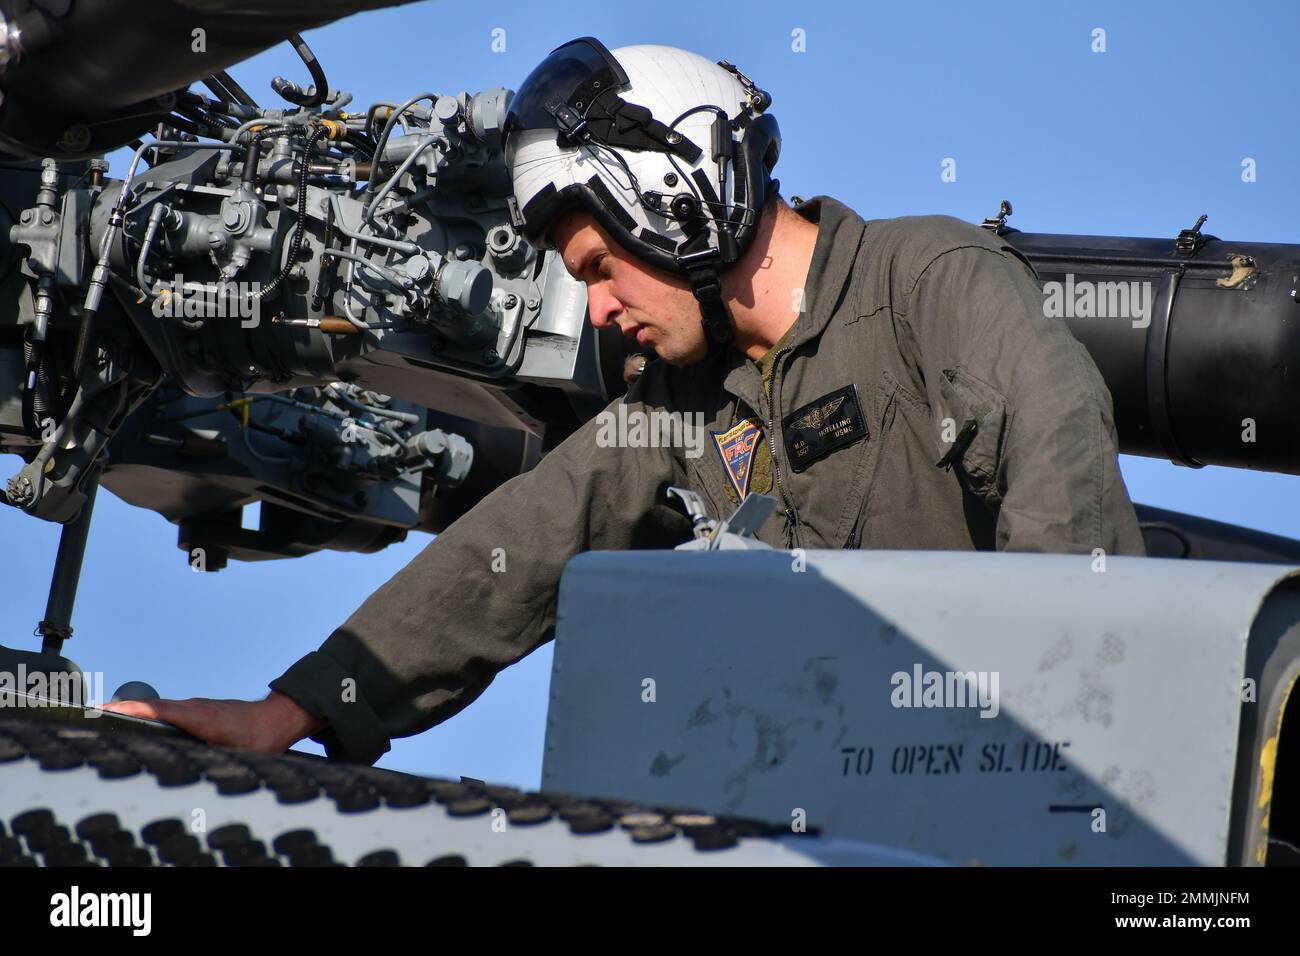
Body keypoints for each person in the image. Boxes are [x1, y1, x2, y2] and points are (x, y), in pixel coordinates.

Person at [103, 37, 1145, 761]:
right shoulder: (684, 401)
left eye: (600, 266)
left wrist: (1046, 757)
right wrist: (294, 709)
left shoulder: (926, 279)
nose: (596, 311)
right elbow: (524, 542)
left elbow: (1060, 480)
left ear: (678, 201)